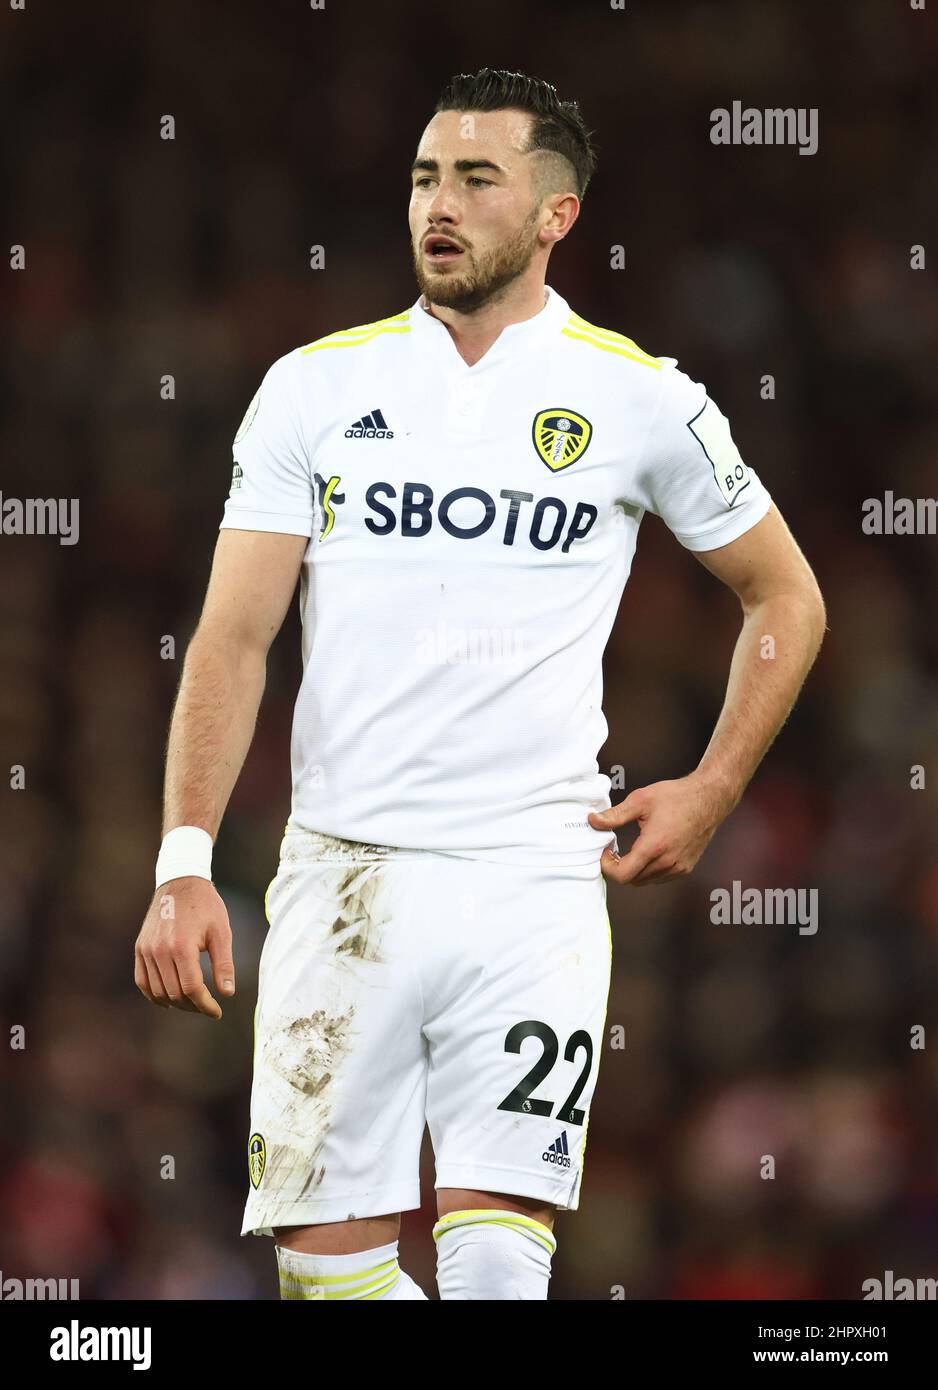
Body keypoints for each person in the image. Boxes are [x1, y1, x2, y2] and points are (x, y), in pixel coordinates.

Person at [134, 67, 826, 1301]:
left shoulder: (639, 395)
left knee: (501, 1264)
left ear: (554, 216)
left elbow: (785, 597)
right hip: (342, 870)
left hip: (530, 879)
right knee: (319, 1277)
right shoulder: (315, 387)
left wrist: (713, 790)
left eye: (473, 179)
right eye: (420, 178)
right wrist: (183, 862)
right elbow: (231, 640)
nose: (435, 205)